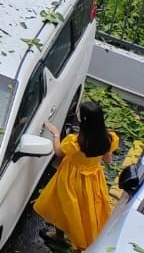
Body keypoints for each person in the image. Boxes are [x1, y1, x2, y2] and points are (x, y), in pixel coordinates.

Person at [32, 100, 118, 250]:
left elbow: (58, 152)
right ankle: (80, 242)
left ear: (84, 120)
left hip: (70, 179)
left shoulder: (75, 142)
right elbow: (108, 159)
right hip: (92, 179)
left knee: (63, 207)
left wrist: (55, 134)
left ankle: (59, 235)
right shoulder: (109, 138)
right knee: (84, 213)